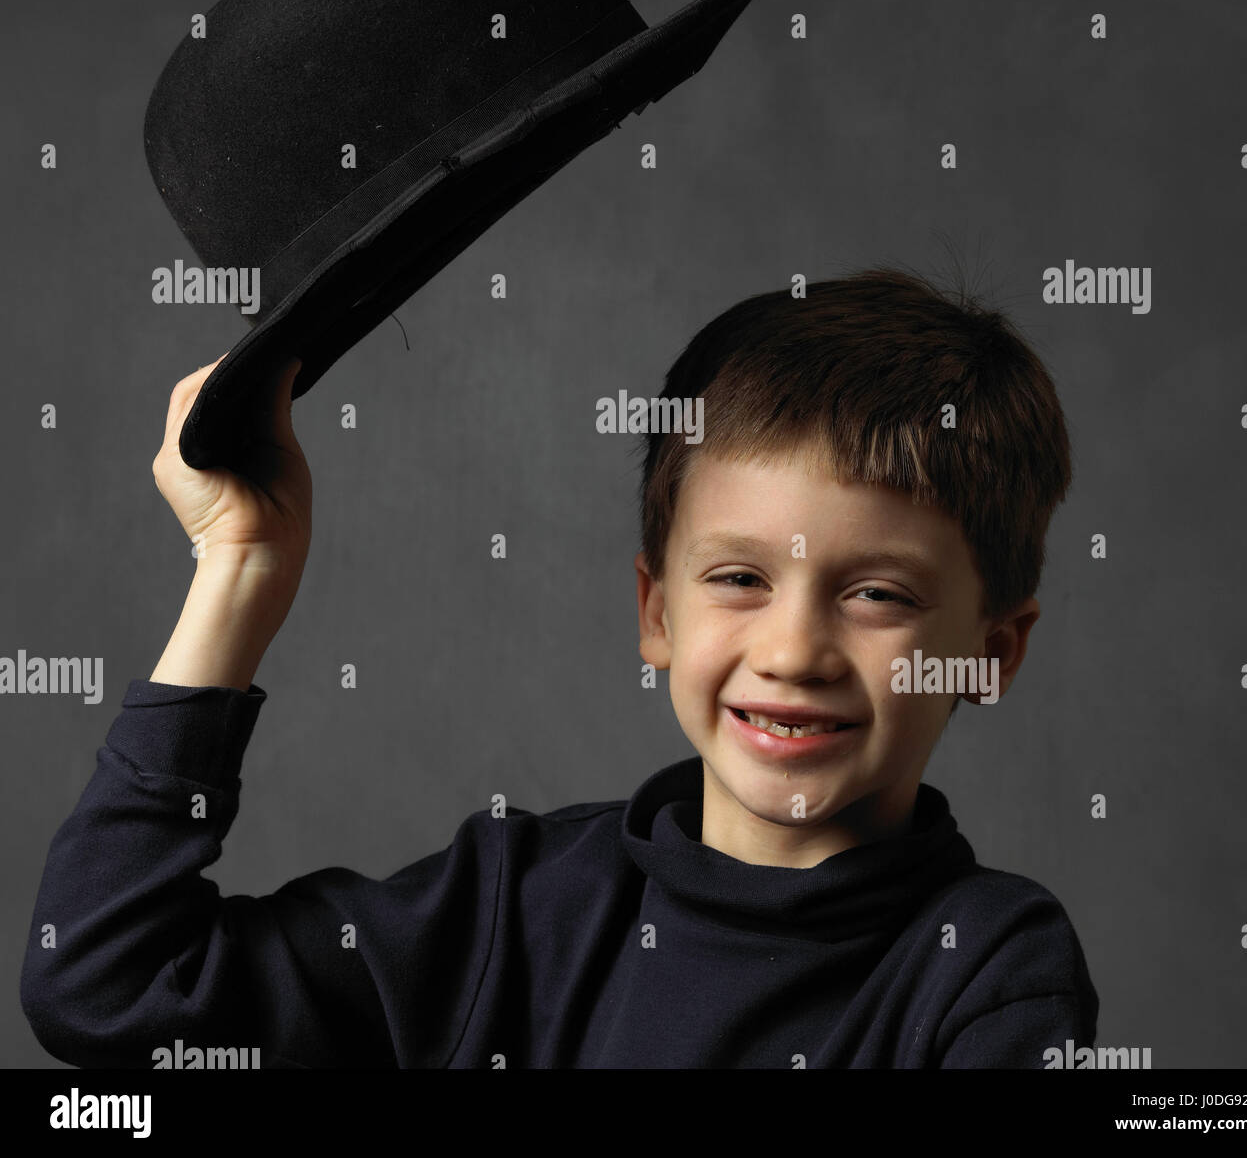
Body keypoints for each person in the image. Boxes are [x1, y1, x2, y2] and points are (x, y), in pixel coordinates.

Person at [21, 267, 1098, 1068]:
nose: (792, 650)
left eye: (878, 595)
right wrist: (239, 572)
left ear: (990, 654)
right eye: (737, 578)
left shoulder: (988, 970)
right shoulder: (513, 902)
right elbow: (105, 981)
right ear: (655, 612)